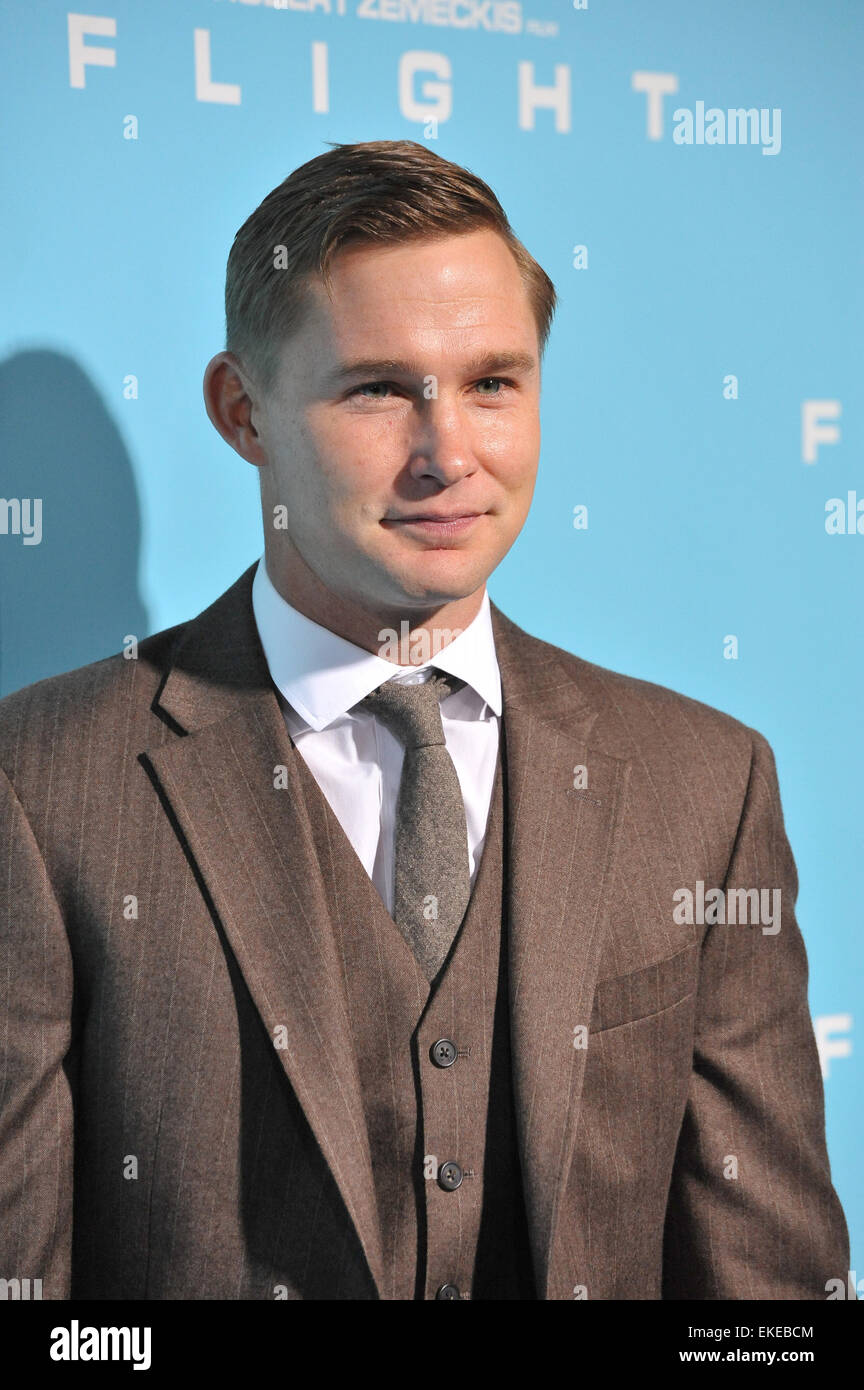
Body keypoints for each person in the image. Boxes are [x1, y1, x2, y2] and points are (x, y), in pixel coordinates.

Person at [0, 140, 849, 1300]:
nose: (449, 455)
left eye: (493, 381)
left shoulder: (706, 780)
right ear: (243, 413)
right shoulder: (41, 784)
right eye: (380, 389)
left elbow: (770, 1305)